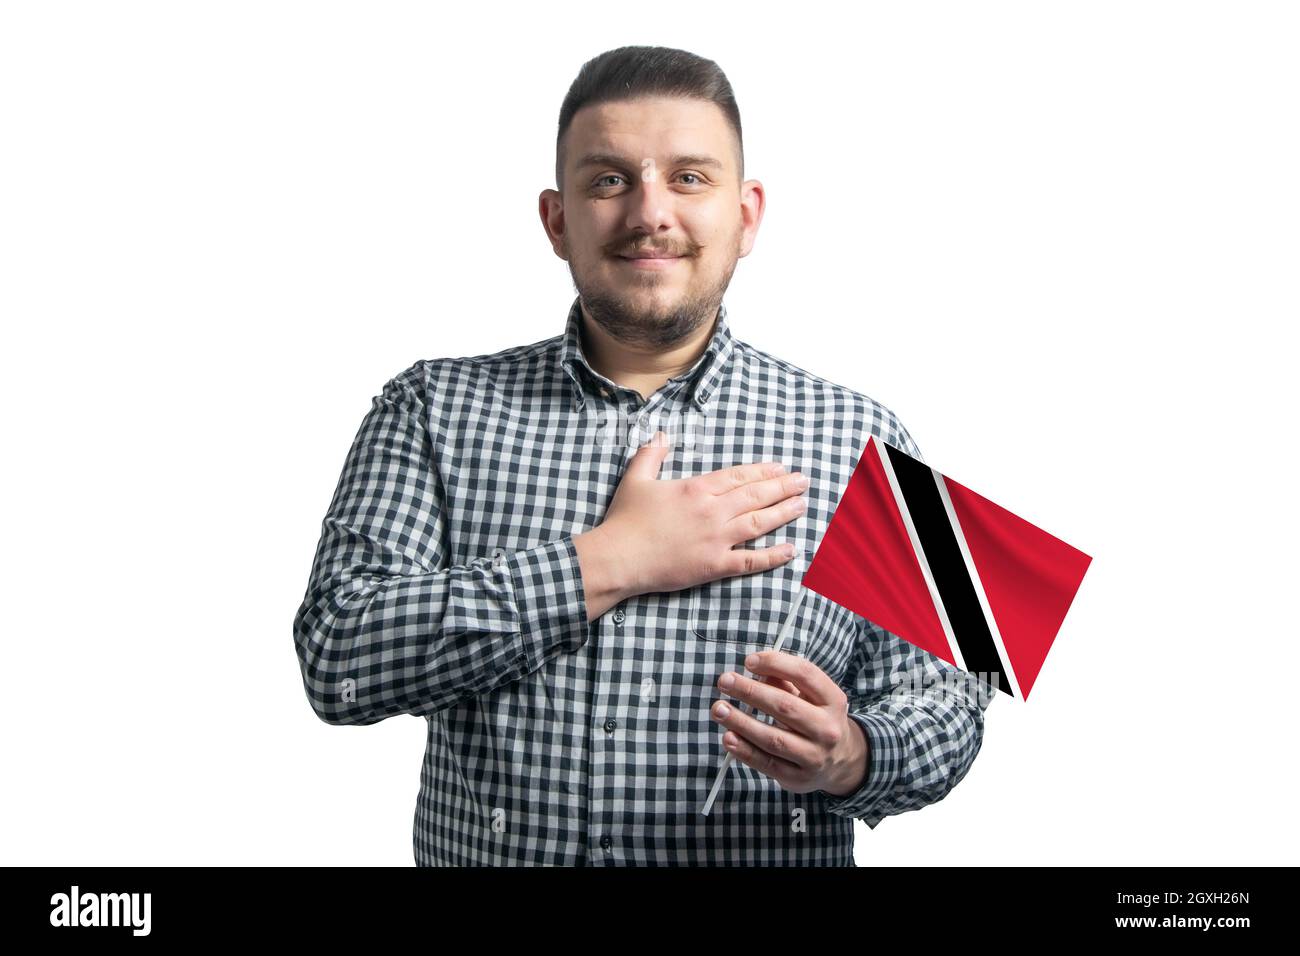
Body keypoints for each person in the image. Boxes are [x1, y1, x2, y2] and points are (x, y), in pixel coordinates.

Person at [292, 45, 991, 866]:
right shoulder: (429, 406)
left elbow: (956, 701)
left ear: (748, 213)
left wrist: (853, 757)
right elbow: (336, 655)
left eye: (690, 178)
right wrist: (608, 562)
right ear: (557, 220)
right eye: (609, 180)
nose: (650, 212)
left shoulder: (869, 432)